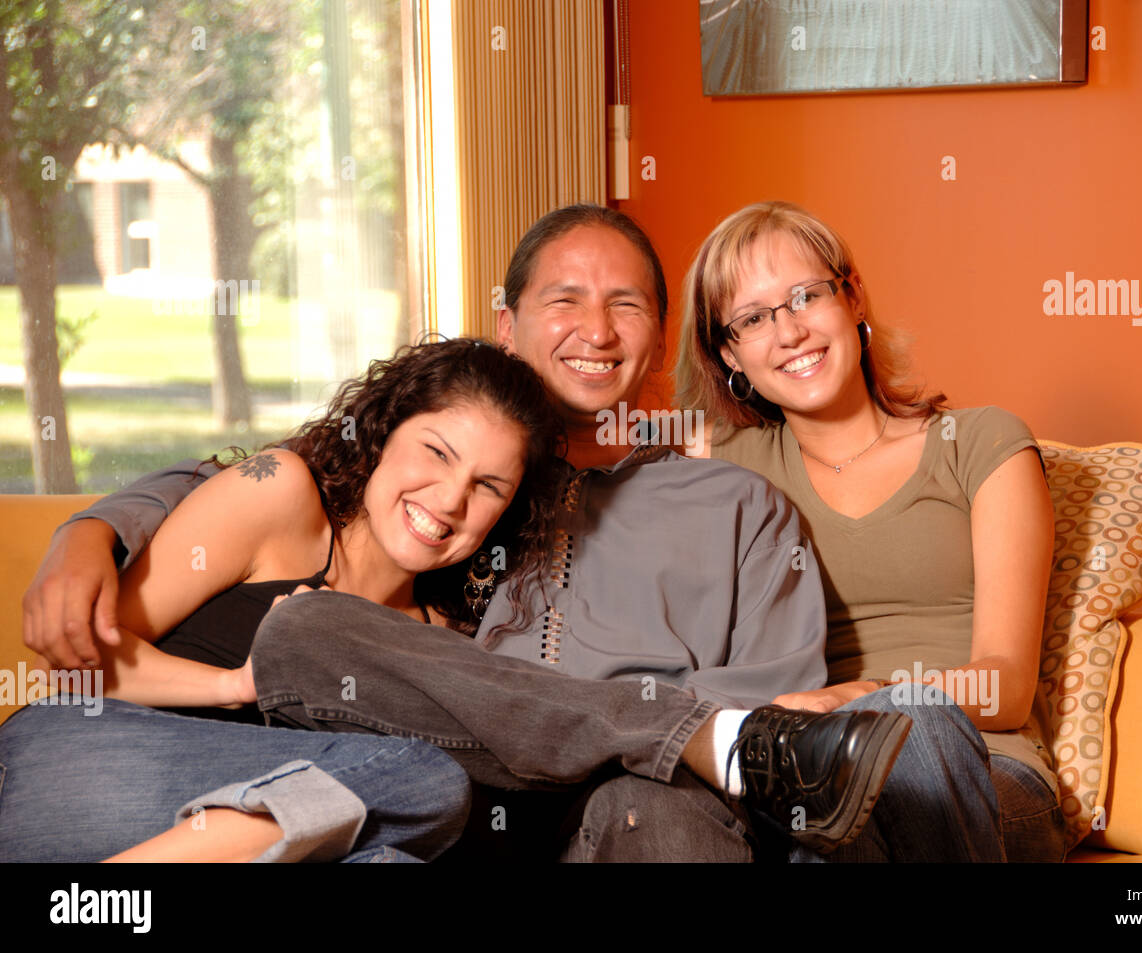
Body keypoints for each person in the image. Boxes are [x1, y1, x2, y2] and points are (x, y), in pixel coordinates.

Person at [17, 206, 912, 862]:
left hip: (313, 806)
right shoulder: (295, 488)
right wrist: (93, 533)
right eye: (565, 298)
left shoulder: (457, 603)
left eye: (488, 485)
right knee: (389, 740)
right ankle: (710, 736)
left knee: (408, 818)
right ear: (507, 324)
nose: (449, 498)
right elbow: (212, 487)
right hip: (87, 759)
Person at [2, 337, 569, 861]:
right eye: (437, 453)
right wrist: (237, 686)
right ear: (383, 433)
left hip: (205, 841)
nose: (450, 500)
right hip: (63, 768)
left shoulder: (445, 634)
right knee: (423, 779)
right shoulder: (281, 493)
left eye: (488, 486)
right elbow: (74, 672)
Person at [675, 200, 1068, 862]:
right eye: (752, 318)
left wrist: (865, 701)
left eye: (804, 296)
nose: (790, 330)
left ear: (852, 296)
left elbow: (1004, 684)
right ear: (728, 351)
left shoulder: (981, 443)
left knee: (908, 747)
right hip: (813, 770)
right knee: (820, 814)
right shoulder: (716, 462)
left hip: (982, 768)